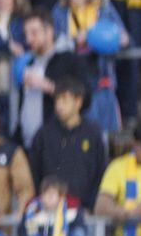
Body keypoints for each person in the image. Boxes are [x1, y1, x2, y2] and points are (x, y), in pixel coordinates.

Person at [26, 78, 106, 208]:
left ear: (78, 101)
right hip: (48, 209)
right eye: (57, 99)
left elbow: (100, 173)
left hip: (84, 211)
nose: (59, 105)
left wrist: (91, 207)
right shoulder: (43, 134)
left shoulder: (93, 134)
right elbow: (34, 173)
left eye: (64, 99)